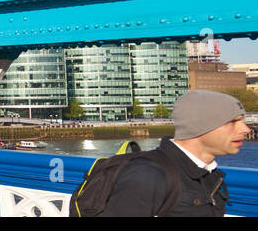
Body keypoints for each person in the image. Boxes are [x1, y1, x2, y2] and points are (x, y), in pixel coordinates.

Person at [87, 91, 249, 217]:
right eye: (233, 122)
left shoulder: (208, 174)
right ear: (201, 125)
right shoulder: (147, 176)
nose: (246, 129)